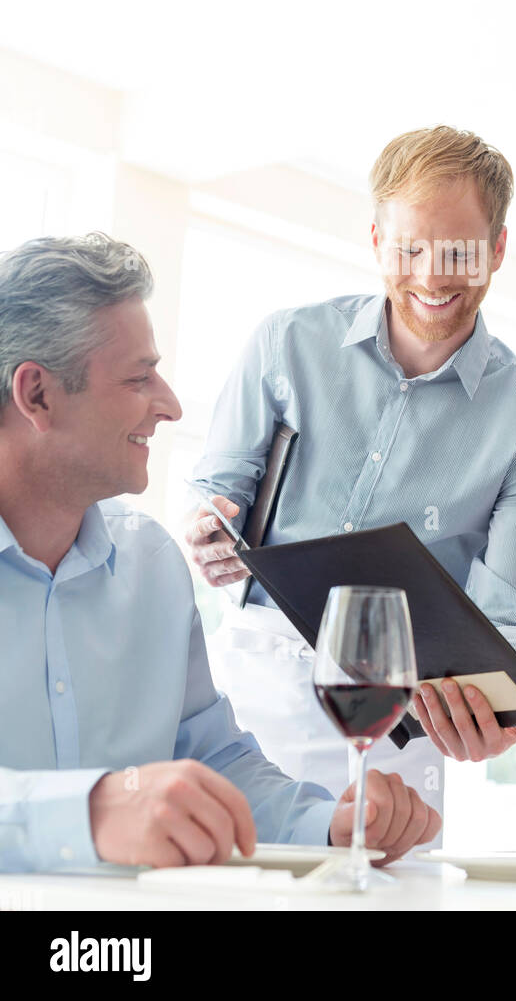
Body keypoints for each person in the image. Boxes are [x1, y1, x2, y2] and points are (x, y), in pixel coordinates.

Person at [0, 233, 440, 871]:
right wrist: (90, 813)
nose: (171, 405)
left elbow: (211, 757)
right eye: (137, 377)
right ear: (36, 394)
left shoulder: (151, 563)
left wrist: (326, 826)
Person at [186, 126, 516, 825]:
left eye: (458, 250)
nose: (430, 276)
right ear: (374, 240)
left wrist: (490, 709)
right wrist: (208, 527)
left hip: (402, 725)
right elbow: (216, 491)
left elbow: (503, 621)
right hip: (256, 698)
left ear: (500, 249)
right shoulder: (286, 345)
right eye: (408, 248)